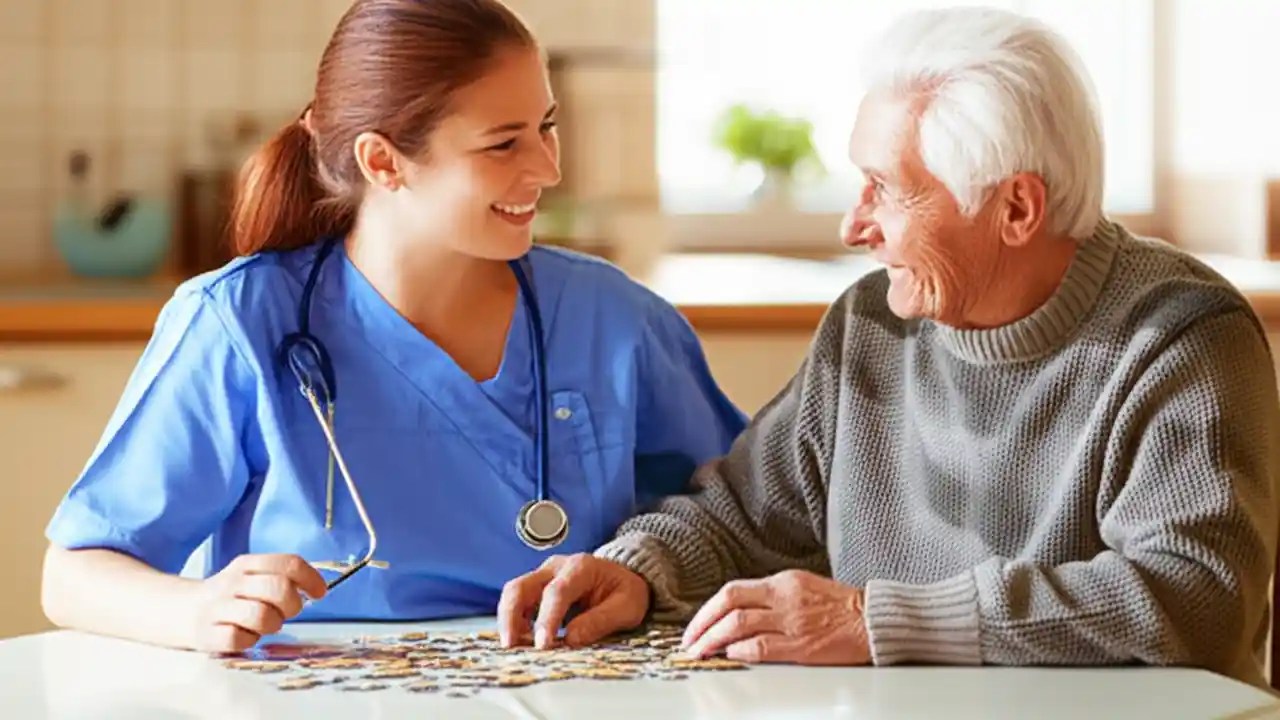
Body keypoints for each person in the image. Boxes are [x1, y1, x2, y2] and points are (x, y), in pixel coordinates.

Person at [496, 6, 1280, 688]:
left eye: (888, 189)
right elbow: (743, 516)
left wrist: (878, 620)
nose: (852, 226)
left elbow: (1193, 597)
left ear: (1015, 207)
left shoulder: (1182, 336)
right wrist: (636, 570)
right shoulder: (873, 323)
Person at [40, 0, 745, 654]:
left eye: (546, 127)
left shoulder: (612, 319)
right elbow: (73, 575)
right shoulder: (242, 322)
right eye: (504, 144)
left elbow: (744, 518)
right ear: (383, 161)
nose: (548, 168)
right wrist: (192, 609)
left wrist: (644, 573)